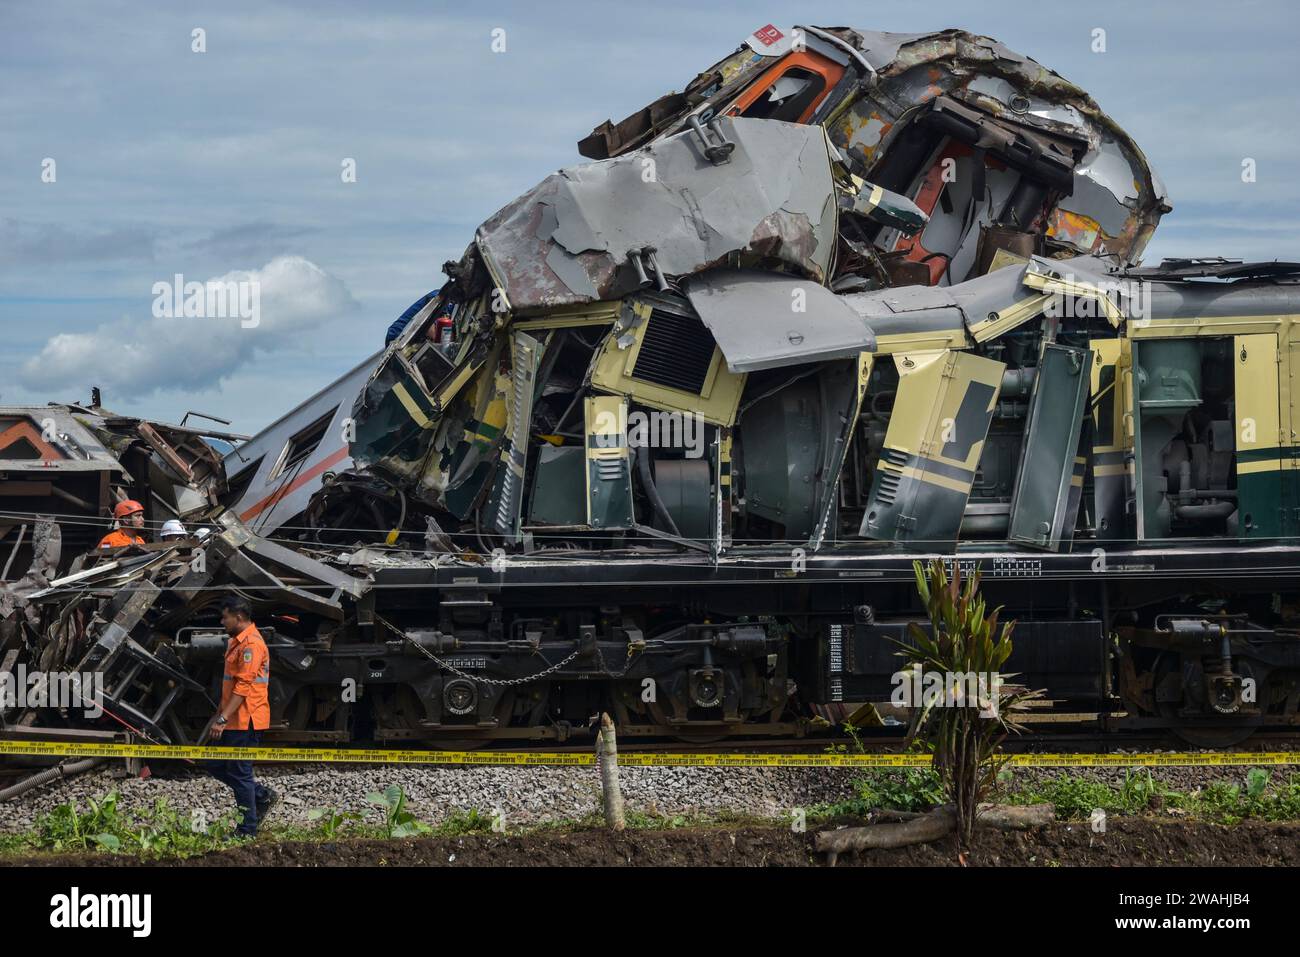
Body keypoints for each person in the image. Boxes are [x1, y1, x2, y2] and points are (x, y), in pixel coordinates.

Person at [203, 595, 279, 838]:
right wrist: (220, 715)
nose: (222, 621)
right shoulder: (237, 642)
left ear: (238, 616)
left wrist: (222, 718)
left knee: (240, 772)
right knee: (213, 763)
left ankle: (247, 830)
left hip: (246, 720)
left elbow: (243, 687)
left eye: (225, 617)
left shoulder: (251, 646)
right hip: (234, 718)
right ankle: (261, 796)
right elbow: (230, 685)